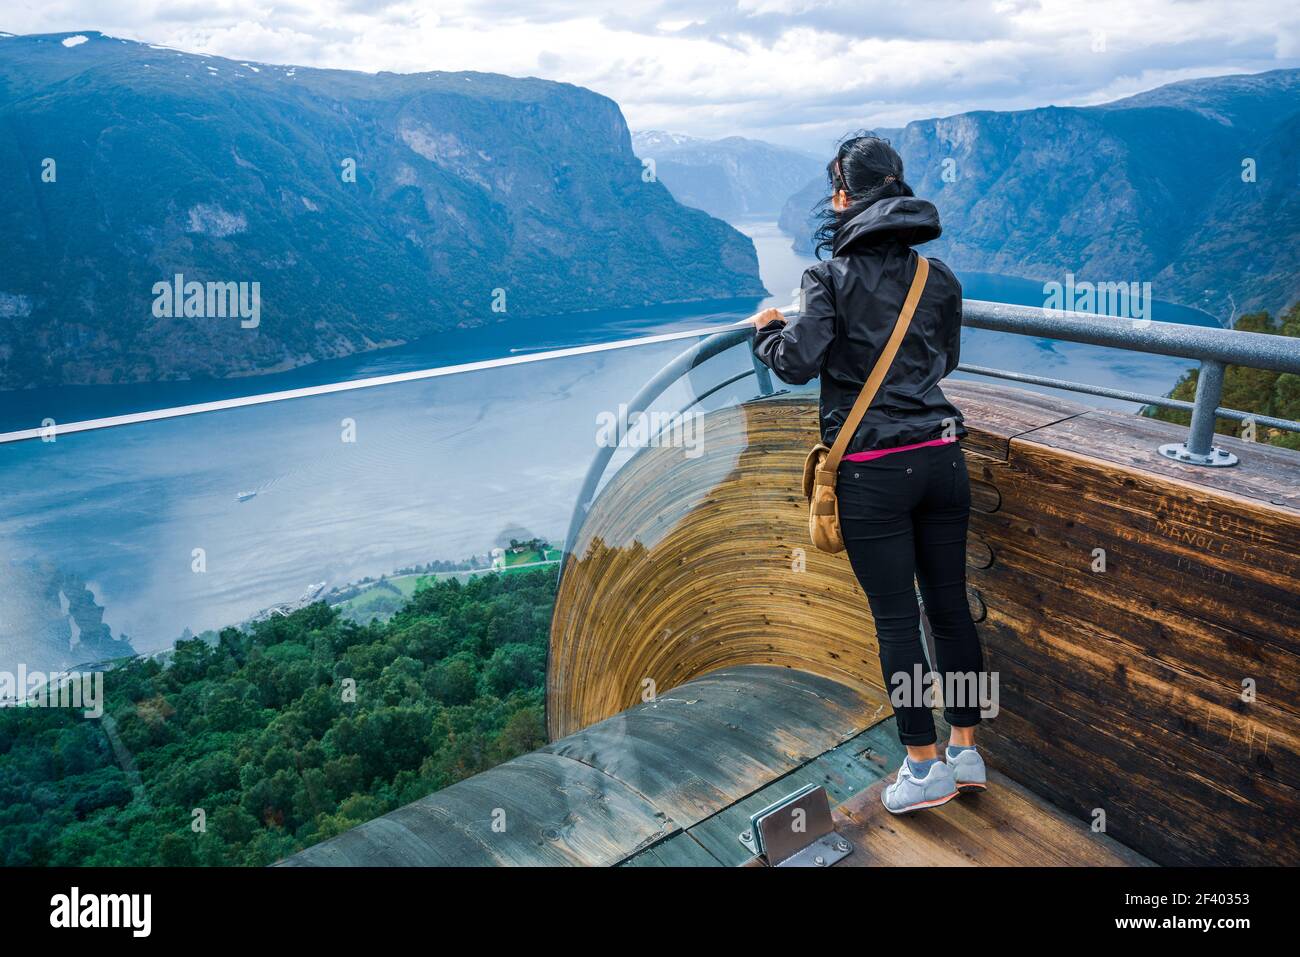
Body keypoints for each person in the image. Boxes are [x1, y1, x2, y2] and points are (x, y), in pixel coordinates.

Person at [750, 133, 987, 814]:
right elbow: (945, 360)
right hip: (943, 460)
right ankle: (967, 750)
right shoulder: (936, 278)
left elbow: (795, 362)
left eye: (835, 187)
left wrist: (765, 330)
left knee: (896, 622)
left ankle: (922, 765)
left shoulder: (826, 279)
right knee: (949, 607)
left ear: (846, 197)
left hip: (873, 474)